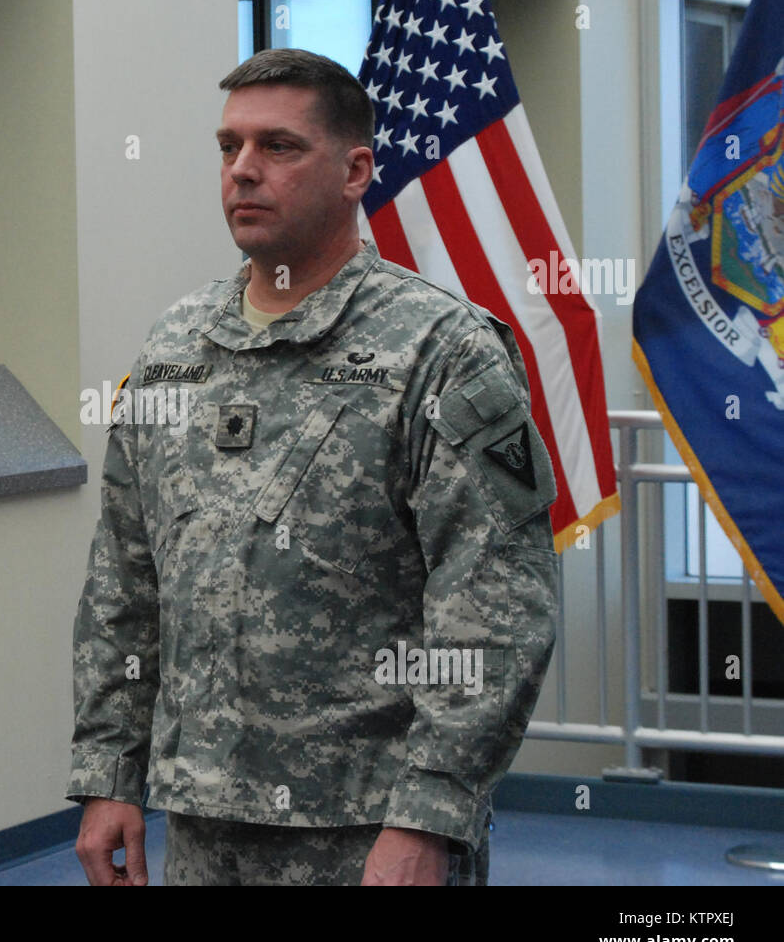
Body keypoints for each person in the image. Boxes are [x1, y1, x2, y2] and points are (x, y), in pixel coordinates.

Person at [68, 49, 558, 886]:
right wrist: (109, 773)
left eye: (279, 147)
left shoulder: (440, 350)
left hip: (367, 830)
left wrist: (430, 816)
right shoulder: (175, 347)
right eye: (229, 148)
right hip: (201, 823)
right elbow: (127, 578)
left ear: (355, 169)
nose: (244, 172)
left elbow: (495, 606)